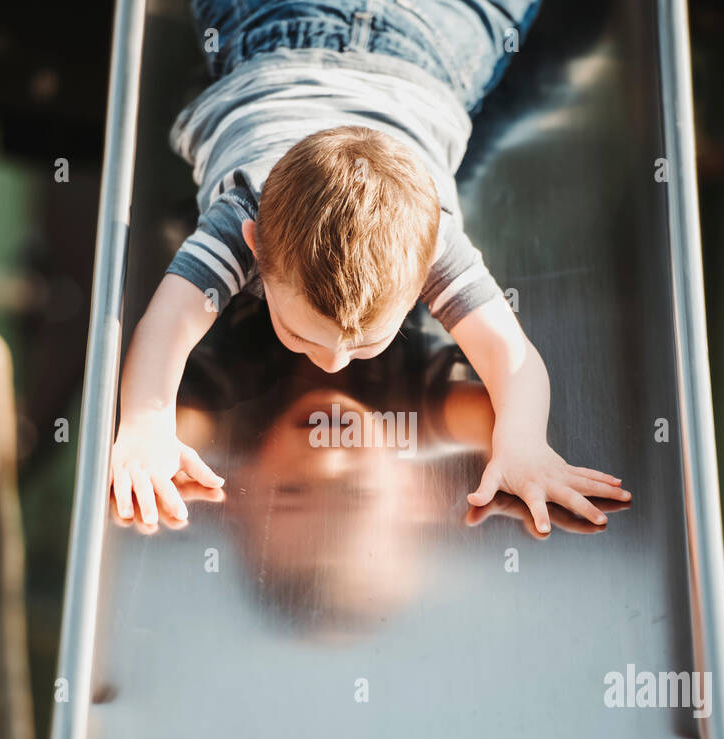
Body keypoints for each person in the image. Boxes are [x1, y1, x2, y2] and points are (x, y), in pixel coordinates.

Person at [111, 0, 630, 535]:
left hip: (319, 29)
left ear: (425, 272)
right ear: (255, 247)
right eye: (298, 331)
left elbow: (511, 356)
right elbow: (168, 323)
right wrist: (144, 424)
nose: (334, 365)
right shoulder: (246, 211)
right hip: (416, 34)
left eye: (362, 344)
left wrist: (524, 443)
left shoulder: (428, 237)